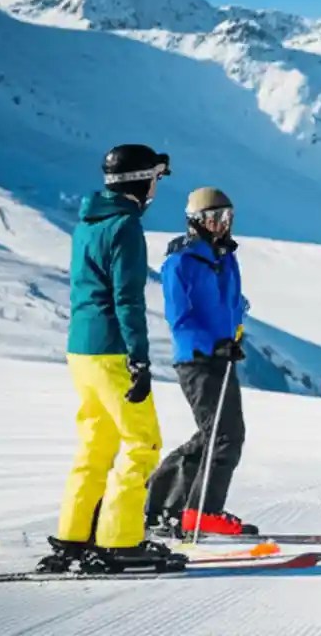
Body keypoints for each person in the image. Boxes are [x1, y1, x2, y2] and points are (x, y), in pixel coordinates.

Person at [39, 144, 184, 573]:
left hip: (80, 351)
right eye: (155, 178)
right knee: (142, 443)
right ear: (139, 181)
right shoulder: (125, 228)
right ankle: (120, 540)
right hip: (111, 350)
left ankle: (74, 535)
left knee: (95, 444)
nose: (157, 187)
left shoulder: (87, 223)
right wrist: (139, 359)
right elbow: (127, 300)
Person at [144, 187, 256, 538]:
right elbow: (181, 317)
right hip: (197, 359)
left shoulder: (225, 258)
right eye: (214, 219)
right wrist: (214, 345)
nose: (222, 226)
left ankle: (166, 507)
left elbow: (232, 304)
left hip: (220, 356)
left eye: (227, 218)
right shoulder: (181, 262)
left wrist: (234, 335)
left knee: (212, 435)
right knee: (226, 435)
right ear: (195, 223)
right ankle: (203, 512)